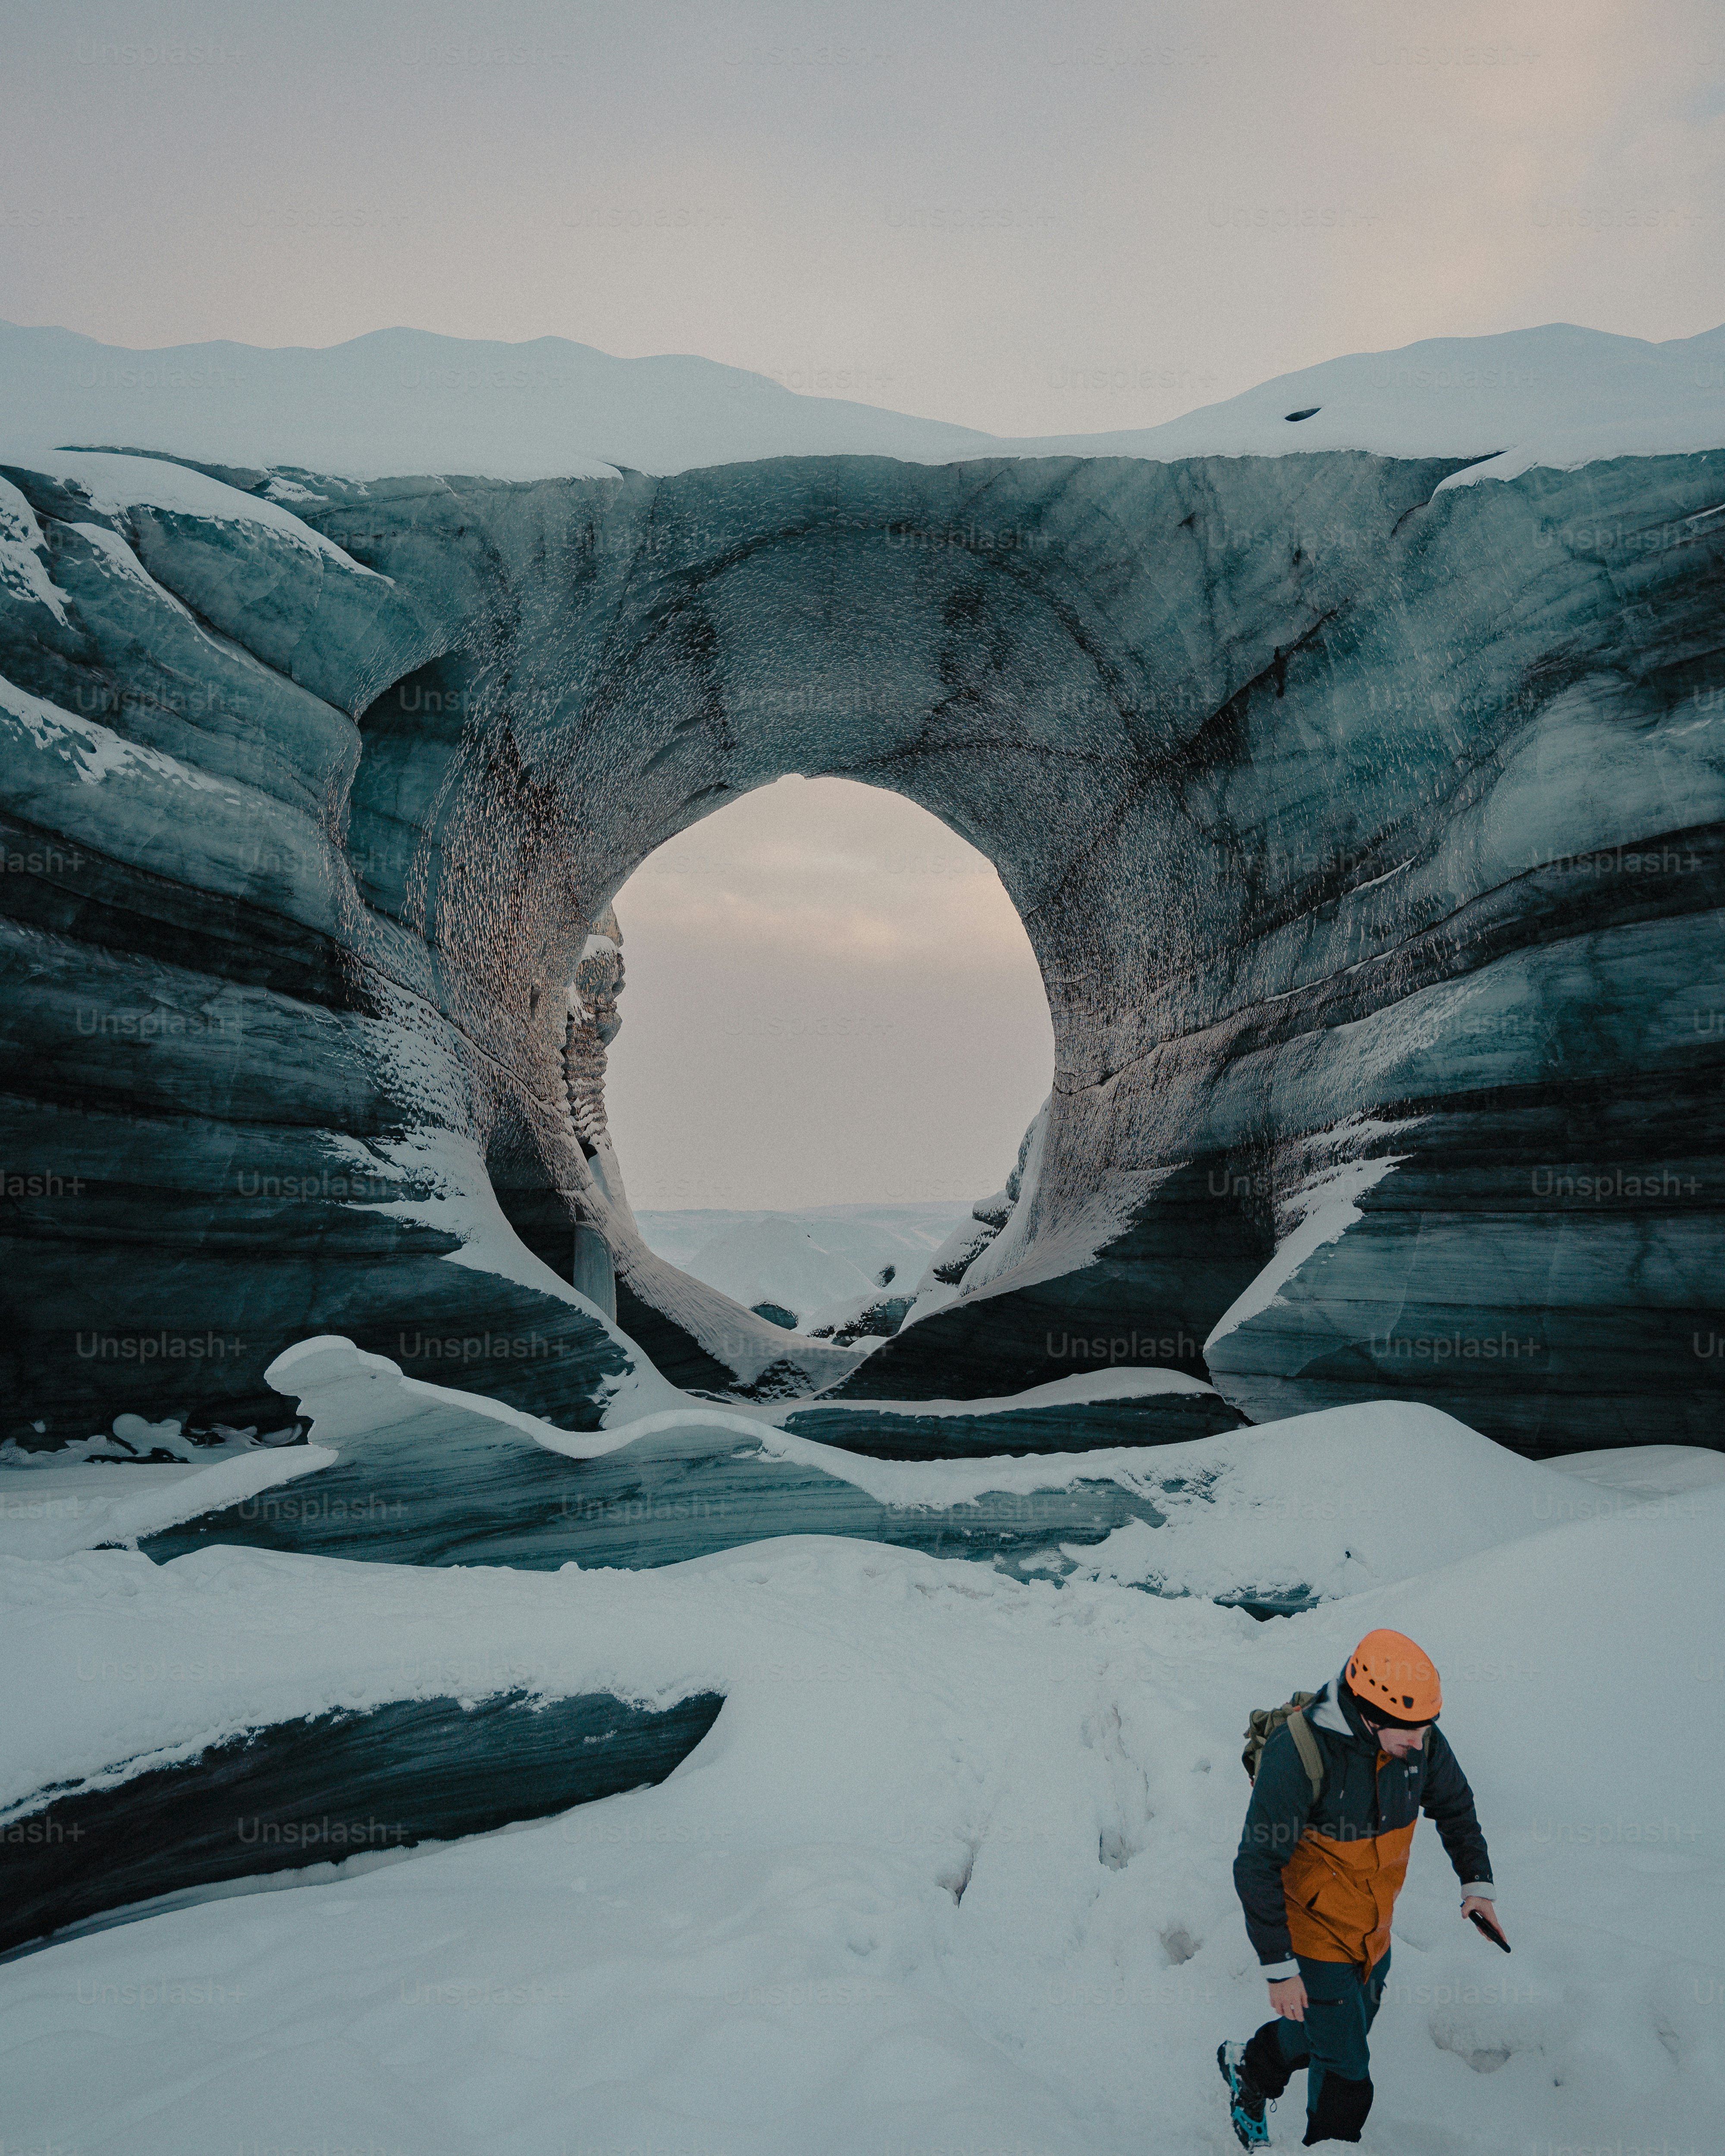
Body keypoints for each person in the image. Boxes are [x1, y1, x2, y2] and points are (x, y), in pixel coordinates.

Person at [1218, 1629, 1504, 2146]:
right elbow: (1256, 1865)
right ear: (1370, 1715)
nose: (1419, 1744)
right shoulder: (1299, 1752)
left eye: (1425, 1729)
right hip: (1312, 1933)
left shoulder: (1419, 1740)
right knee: (1347, 2070)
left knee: (1340, 2030)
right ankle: (1326, 2140)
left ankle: (1250, 2065)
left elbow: (1456, 1807)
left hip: (1373, 1929)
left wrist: (1476, 1883)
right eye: (1408, 1731)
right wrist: (1280, 1968)